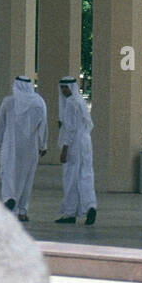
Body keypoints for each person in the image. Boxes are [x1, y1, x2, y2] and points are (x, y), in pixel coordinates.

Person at [0, 76, 48, 222]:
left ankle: (9, 199)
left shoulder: (9, 102)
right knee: (27, 178)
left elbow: (0, 124)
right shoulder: (39, 102)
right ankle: (22, 211)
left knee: (8, 173)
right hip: (30, 148)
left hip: (10, 145)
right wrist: (43, 145)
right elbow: (44, 126)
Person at [56, 77, 97, 225]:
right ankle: (90, 206)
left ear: (71, 88)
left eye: (65, 87)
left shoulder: (71, 103)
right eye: (62, 88)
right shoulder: (80, 101)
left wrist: (65, 149)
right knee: (86, 176)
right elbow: (88, 124)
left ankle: (70, 213)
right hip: (85, 143)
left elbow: (70, 129)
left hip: (74, 146)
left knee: (71, 178)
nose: (63, 90)